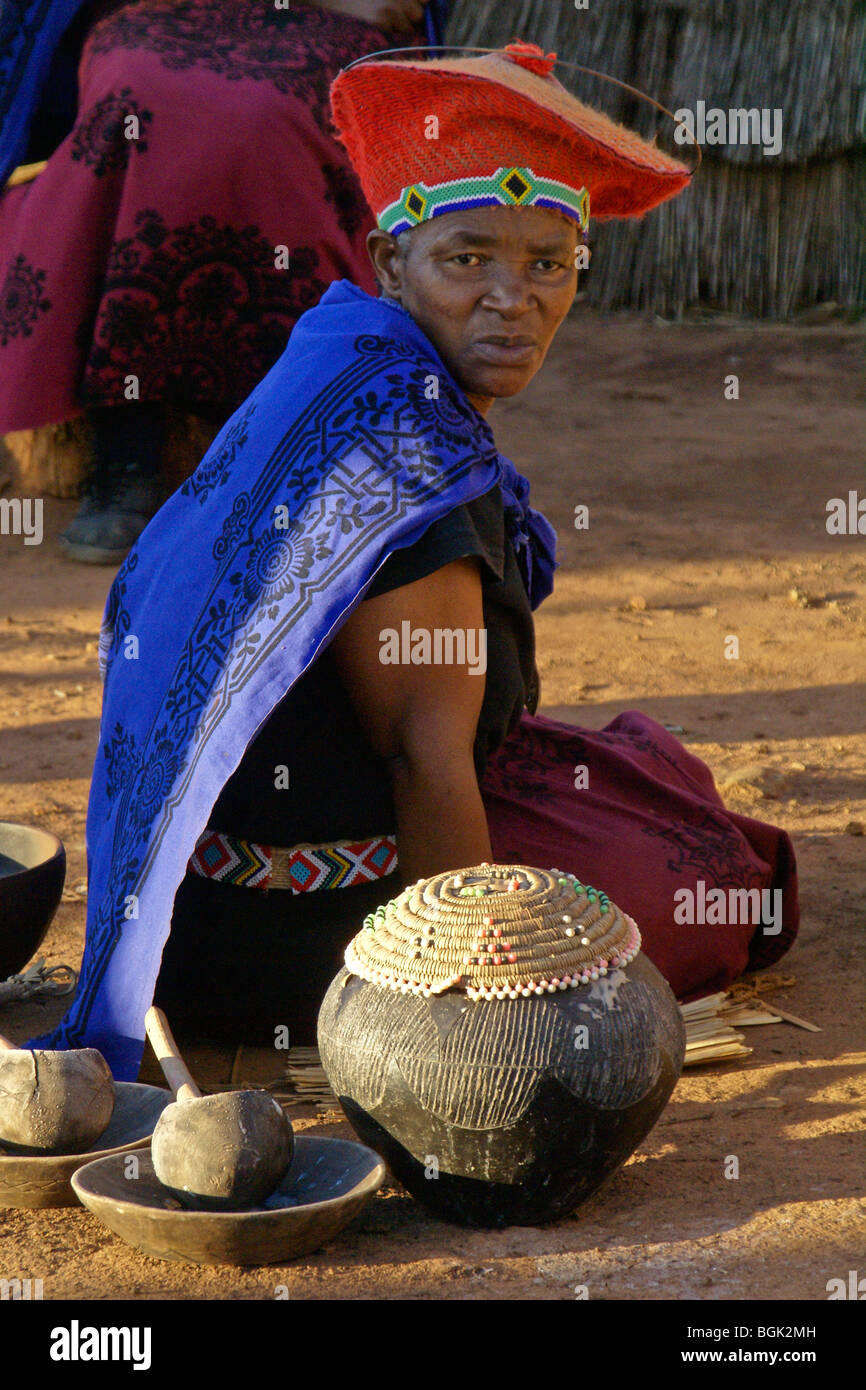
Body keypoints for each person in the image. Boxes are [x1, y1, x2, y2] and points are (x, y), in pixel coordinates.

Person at [31, 40, 798, 1079]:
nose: (510, 299)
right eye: (466, 258)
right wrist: (464, 1022)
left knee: (641, 776)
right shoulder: (402, 462)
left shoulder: (339, 361)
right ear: (391, 263)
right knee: (712, 875)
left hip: (192, 913)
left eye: (545, 264)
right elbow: (422, 762)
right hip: (310, 947)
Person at [0, 0, 440, 563]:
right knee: (139, 89)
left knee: (265, 113)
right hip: (164, 10)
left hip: (340, 23)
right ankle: (128, 443)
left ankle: (284, 443)